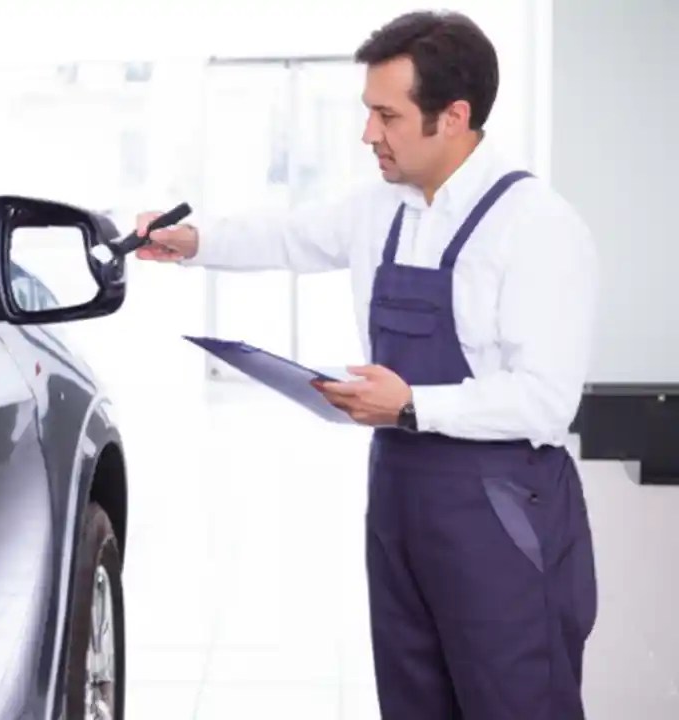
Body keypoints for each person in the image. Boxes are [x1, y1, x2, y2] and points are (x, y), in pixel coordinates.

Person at [134, 10, 598, 720]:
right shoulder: (380, 208)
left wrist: (412, 405)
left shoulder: (537, 226)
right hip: (400, 502)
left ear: (454, 117)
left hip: (504, 516)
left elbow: (546, 399)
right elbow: (289, 236)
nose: (367, 135)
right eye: (367, 112)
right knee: (413, 702)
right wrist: (189, 240)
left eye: (386, 115)